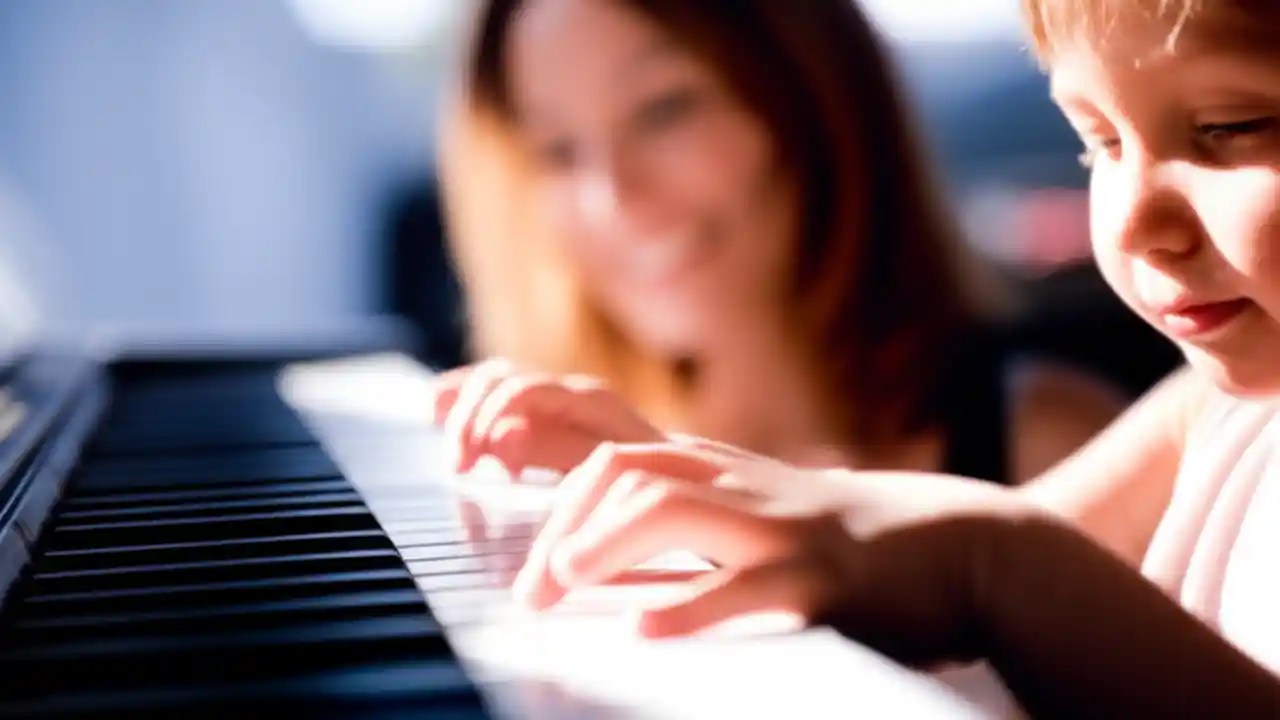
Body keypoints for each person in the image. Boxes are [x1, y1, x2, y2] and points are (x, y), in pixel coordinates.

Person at [440, 0, 1280, 716]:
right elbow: (908, 572)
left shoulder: (1130, 414)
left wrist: (996, 564)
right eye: (1095, 143)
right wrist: (680, 499)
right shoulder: (1210, 411)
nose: (1129, 222)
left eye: (1228, 127)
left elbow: (993, 566)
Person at [433, 0, 1121, 488]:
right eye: (558, 150)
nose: (613, 198)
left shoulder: (1059, 447)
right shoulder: (537, 480)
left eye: (665, 108)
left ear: (817, 99)